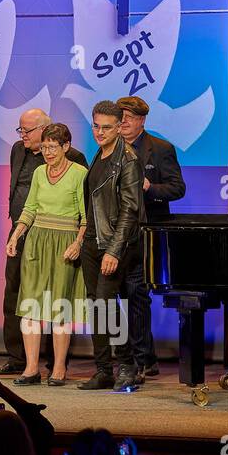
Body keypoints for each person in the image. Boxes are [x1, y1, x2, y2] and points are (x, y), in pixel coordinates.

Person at [0, 108, 87, 375]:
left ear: (65, 146)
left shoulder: (79, 170)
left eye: (53, 147)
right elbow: (29, 206)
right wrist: (16, 233)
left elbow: (86, 215)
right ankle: (28, 364)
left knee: (59, 305)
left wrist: (78, 243)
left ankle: (58, 366)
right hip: (34, 238)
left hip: (64, 240)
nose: (48, 152)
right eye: (45, 147)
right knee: (26, 303)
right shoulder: (32, 165)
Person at [77, 100, 145, 392]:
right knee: (96, 306)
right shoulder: (100, 154)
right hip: (93, 240)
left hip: (114, 243)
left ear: (120, 127)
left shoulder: (127, 159)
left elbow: (130, 209)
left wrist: (114, 251)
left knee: (106, 304)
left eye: (106, 127)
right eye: (96, 126)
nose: (100, 132)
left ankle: (127, 365)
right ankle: (104, 370)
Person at [117, 95, 185, 379]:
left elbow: (177, 188)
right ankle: (131, 356)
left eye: (129, 118)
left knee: (137, 293)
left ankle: (142, 359)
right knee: (118, 294)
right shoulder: (110, 149)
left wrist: (149, 187)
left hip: (146, 234)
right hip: (116, 233)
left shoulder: (160, 149)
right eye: (120, 118)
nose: (123, 123)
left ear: (142, 120)